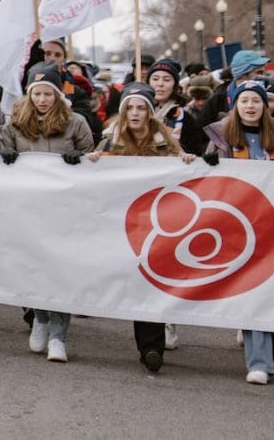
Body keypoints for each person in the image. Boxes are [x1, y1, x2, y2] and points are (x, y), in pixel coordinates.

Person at [86, 82, 198, 373]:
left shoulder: (166, 145)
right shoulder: (108, 144)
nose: (135, 113)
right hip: (119, 226)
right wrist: (93, 162)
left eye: (141, 108)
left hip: (154, 228)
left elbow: (181, 181)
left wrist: (187, 162)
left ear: (150, 113)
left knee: (150, 283)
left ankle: (151, 348)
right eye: (130, 108)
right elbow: (94, 184)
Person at [0, 62, 96, 363]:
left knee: (61, 270)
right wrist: (5, 157)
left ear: (57, 95)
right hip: (29, 208)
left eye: (48, 93)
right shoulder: (15, 124)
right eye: (37, 93)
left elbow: (92, 158)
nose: (42, 99)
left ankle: (58, 335)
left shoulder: (75, 122)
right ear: (29, 95)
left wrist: (79, 159)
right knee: (35, 267)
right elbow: (2, 158)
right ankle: (40, 317)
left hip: (65, 209)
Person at [202, 79, 274, 385]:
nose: (250, 106)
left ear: (266, 106)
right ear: (235, 105)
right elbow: (204, 180)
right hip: (239, 227)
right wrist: (208, 164)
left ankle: (272, 351)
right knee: (253, 290)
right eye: (244, 100)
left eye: (256, 101)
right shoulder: (222, 139)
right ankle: (258, 362)